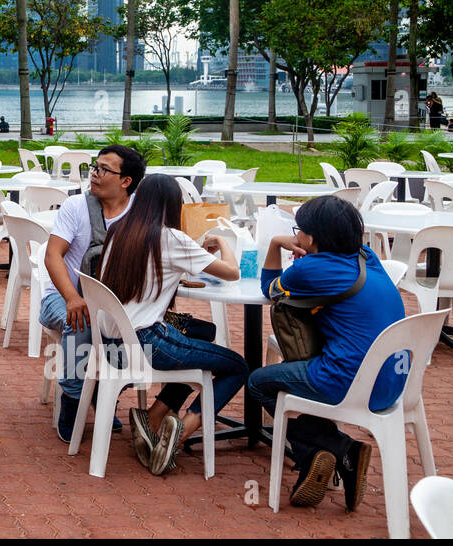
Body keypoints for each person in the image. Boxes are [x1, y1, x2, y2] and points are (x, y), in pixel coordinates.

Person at [246, 196, 406, 510]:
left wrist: (276, 245)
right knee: (298, 377)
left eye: (298, 230)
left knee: (258, 383)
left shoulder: (311, 268)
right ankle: (319, 455)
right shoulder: (367, 257)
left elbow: (269, 288)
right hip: (394, 382)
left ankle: (339, 448)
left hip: (350, 383)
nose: (296, 235)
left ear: (312, 238)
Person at [96, 174, 249, 475]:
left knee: (204, 334)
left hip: (113, 343)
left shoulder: (119, 230)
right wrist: (220, 241)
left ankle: (154, 416)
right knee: (237, 366)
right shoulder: (171, 238)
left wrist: (193, 254)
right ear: (172, 205)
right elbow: (232, 272)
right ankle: (180, 433)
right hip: (147, 344)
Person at [39, 144, 146, 442]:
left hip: (116, 302)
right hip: (62, 296)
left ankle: (102, 393)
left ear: (126, 181)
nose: (94, 175)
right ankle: (74, 400)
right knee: (84, 321)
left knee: (145, 329)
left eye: (103, 170)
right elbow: (52, 256)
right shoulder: (76, 207)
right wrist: (73, 298)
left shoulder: (139, 211)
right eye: (94, 168)